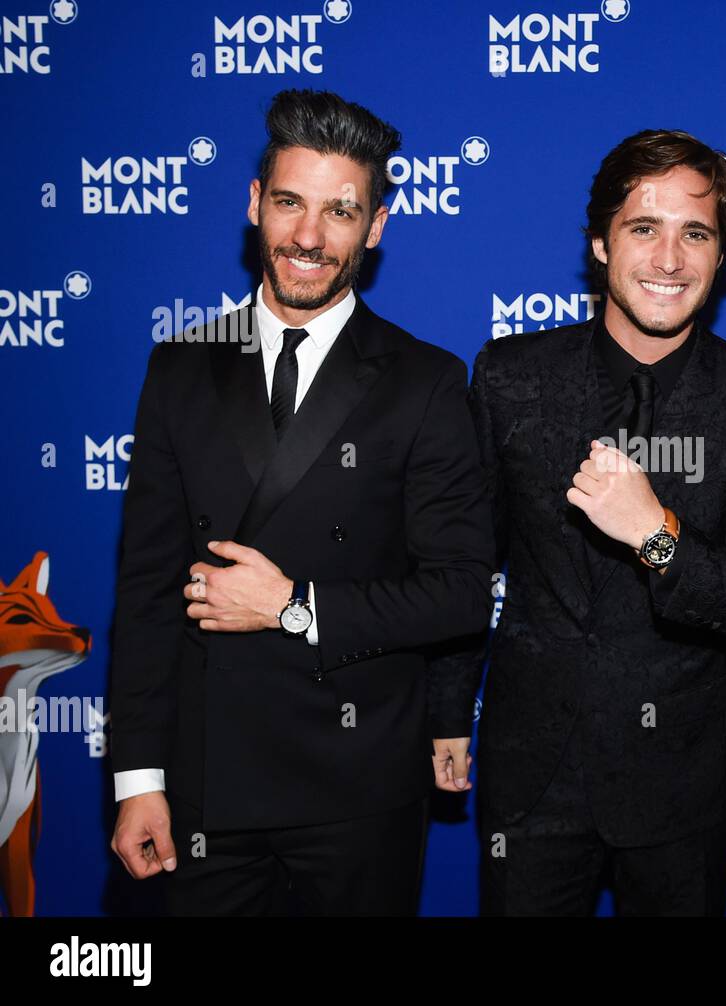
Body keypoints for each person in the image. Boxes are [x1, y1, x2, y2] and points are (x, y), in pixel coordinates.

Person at [108, 89, 495, 915]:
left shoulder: (424, 381)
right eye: (290, 203)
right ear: (255, 204)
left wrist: (293, 608)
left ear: (377, 226)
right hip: (205, 788)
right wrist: (138, 779)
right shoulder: (181, 367)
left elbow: (461, 593)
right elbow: (144, 595)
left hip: (358, 793)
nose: (311, 238)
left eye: (341, 212)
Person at [447, 129, 726, 915]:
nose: (669, 259)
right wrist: (448, 711)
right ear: (599, 244)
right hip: (530, 773)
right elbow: (465, 558)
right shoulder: (511, 378)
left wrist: (659, 535)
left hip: (683, 785)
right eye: (644, 229)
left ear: (722, 258)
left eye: (696, 234)